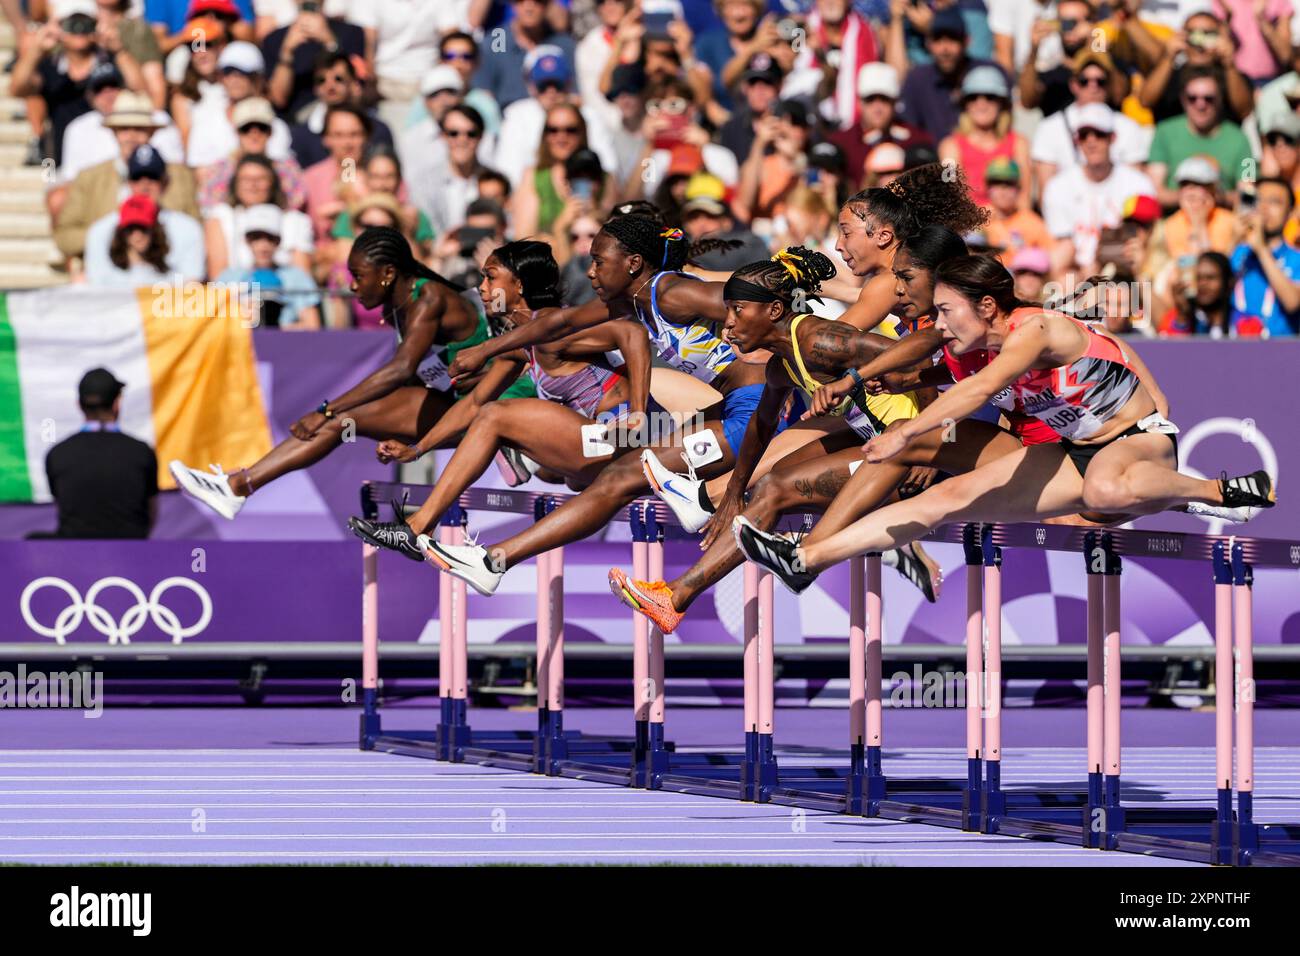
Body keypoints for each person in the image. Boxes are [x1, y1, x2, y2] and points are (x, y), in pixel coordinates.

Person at [735, 254, 1277, 592]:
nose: (939, 324)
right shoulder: (967, 350)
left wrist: (902, 431)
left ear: (988, 307)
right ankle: (805, 559)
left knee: (1105, 489)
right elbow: (917, 365)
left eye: (948, 312)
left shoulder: (1035, 330)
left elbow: (980, 390)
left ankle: (1212, 490)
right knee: (933, 504)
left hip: (1136, 444)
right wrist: (872, 384)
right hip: (1074, 454)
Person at [423, 216, 765, 596]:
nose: (589, 272)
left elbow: (760, 305)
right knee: (615, 477)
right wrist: (485, 349)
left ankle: (494, 560)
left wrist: (798, 364)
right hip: (733, 406)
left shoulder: (670, 292)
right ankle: (493, 560)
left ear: (633, 263)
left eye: (599, 261)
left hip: (760, 407)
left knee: (620, 478)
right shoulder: (633, 303)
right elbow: (560, 322)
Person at [609, 245, 940, 634]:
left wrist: (929, 443)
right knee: (776, 478)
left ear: (775, 311)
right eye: (728, 311)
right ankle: (889, 543)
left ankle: (682, 594)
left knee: (777, 488)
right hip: (880, 447)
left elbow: (918, 358)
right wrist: (732, 491)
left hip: (916, 459)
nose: (727, 325)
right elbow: (761, 426)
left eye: (737, 311)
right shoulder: (783, 364)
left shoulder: (821, 340)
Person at [350, 239, 710, 557]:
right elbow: (470, 405)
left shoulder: (552, 330)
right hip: (600, 447)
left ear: (518, 285)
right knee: (539, 461)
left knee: (497, 416)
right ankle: (516, 453)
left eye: (491, 277)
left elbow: (631, 333)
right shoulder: (521, 344)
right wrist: (418, 449)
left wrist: (636, 413)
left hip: (628, 439)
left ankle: (417, 528)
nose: (481, 288)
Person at [169, 226, 532, 520]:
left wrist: (327, 408)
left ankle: (238, 486)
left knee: (335, 418)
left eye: (359, 276)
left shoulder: (428, 298)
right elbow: (417, 376)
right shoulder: (398, 304)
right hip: (454, 401)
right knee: (340, 422)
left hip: (487, 405)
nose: (352, 286)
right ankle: (238, 484)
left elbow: (400, 369)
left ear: (388, 274)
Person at [54, 110, 199, 262]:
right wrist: (115, 237)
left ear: (152, 133)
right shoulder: (90, 178)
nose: (131, 137)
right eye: (124, 129)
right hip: (105, 270)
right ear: (114, 133)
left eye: (139, 130)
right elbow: (64, 236)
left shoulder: (179, 176)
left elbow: (195, 229)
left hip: (168, 267)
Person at [1041, 103, 1155, 277]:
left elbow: (1144, 239)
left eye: (1099, 134)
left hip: (1124, 270)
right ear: (1076, 140)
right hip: (1077, 272)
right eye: (1084, 135)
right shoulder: (1058, 186)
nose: (1091, 141)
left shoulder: (1138, 184)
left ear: (1113, 138)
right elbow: (1062, 247)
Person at [44, 367, 157, 539]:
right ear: (116, 403)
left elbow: (62, 505)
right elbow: (151, 512)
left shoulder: (57, 454)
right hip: (131, 555)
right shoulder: (141, 452)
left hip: (72, 556)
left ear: (79, 405)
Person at [82, 144, 206, 281]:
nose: (144, 186)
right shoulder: (101, 230)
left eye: (153, 178)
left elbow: (191, 283)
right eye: (137, 178)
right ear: (128, 183)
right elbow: (97, 285)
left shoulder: (188, 228)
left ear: (165, 183)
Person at [1027, 48, 1150, 187]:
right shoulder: (1050, 128)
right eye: (1084, 81)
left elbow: (1135, 186)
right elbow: (1047, 192)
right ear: (1073, 85)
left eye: (1100, 81)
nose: (1093, 86)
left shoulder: (1128, 127)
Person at [1146, 68, 1253, 205]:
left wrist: (1218, 198)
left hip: (1223, 220)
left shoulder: (1241, 139)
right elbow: (1154, 190)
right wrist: (1192, 197)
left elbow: (1250, 193)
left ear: (1220, 99)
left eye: (1209, 98)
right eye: (1192, 98)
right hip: (1174, 220)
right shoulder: (1163, 132)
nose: (1200, 104)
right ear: (1183, 100)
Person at [184, 40, 294, 169]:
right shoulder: (206, 123)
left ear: (258, 78)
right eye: (228, 73)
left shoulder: (276, 127)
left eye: (243, 73)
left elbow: (281, 171)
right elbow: (201, 173)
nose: (234, 79)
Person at [827, 61, 932, 192]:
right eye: (870, 99)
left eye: (884, 99)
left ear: (895, 102)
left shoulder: (918, 141)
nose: (877, 108)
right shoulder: (841, 144)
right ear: (859, 102)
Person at [204, 152, 313, 276]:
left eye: (260, 179)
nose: (253, 185)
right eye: (246, 179)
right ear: (236, 183)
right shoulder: (222, 216)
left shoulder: (295, 220)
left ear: (272, 183)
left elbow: (301, 282)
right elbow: (219, 279)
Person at [215, 203, 321, 329]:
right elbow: (216, 324)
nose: (263, 246)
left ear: (278, 241)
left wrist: (275, 331)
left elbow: (312, 325)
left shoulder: (296, 276)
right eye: (256, 237)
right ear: (247, 240)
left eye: (270, 239)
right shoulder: (228, 277)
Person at [937, 65, 1028, 207]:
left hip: (1012, 225)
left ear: (1002, 103)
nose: (981, 104)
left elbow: (1024, 198)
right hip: (969, 226)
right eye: (973, 97)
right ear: (965, 104)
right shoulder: (950, 146)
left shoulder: (1018, 143)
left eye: (990, 97)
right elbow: (951, 198)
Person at [197, 96, 307, 212]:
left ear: (270, 132)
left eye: (262, 128)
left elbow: (298, 202)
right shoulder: (218, 171)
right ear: (237, 132)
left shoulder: (287, 169)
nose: (254, 135)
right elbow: (208, 206)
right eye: (246, 128)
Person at [262, 0, 367, 117]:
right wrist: (287, 52)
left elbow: (358, 85)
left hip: (343, 114)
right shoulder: (274, 39)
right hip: (297, 121)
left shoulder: (351, 33)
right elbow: (278, 99)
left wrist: (330, 42)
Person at [1228, 176, 1300, 337]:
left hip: (1281, 355)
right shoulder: (1239, 253)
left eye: (1275, 202)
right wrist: (1233, 240)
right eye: (1259, 200)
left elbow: (1293, 302)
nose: (1264, 208)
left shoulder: (1297, 259)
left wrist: (1261, 250)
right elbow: (1213, 293)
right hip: (1233, 352)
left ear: (1290, 212)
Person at [82, 193, 172, 286]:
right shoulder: (107, 276)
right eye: (131, 229)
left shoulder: (169, 277)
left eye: (143, 228)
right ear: (122, 232)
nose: (137, 235)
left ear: (154, 229)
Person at [982, 158, 1051, 264]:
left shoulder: (1032, 222)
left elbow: (1049, 257)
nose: (1002, 189)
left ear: (1018, 189)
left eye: (1008, 184)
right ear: (988, 187)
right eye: (996, 183)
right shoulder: (976, 218)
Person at [1157, 250, 1232, 336]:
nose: (1203, 283)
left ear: (1228, 282)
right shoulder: (1176, 318)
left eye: (1210, 278)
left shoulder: (1244, 324)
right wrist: (1182, 316)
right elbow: (1169, 348)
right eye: (1198, 277)